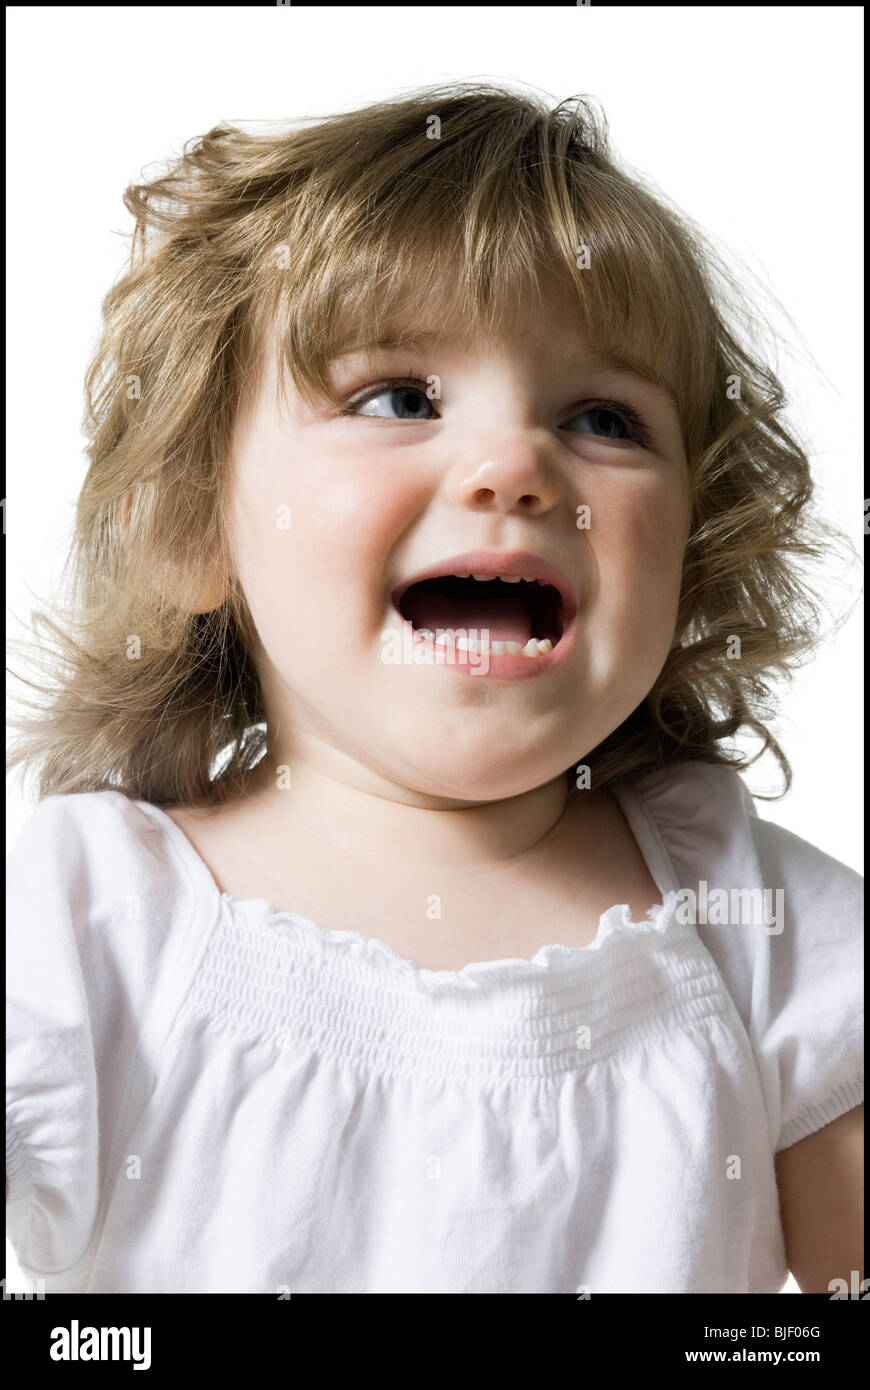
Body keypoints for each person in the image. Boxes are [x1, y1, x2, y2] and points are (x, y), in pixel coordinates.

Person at [6, 82, 863, 1293]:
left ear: (692, 547)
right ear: (196, 525)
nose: (514, 463)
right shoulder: (94, 926)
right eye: (398, 398)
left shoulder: (756, 928)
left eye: (605, 418)